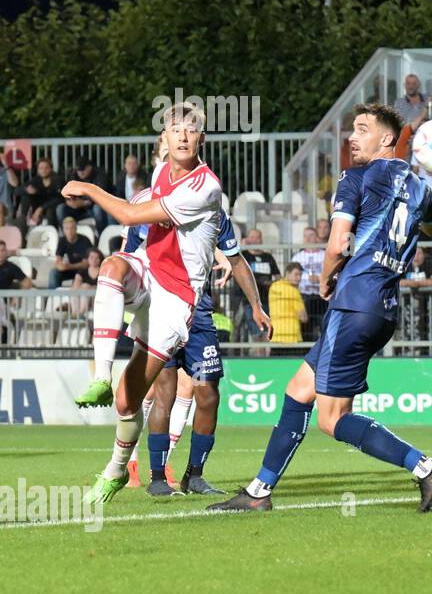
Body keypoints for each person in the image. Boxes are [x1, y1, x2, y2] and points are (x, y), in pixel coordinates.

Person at [210, 104, 432, 513]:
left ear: (387, 140)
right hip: (382, 308)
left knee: (332, 419)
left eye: (362, 130)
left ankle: (425, 467)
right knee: (297, 392)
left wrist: (324, 280)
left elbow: (338, 242)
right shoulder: (420, 189)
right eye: (352, 130)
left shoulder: (356, 177)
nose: (352, 138)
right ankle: (258, 492)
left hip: (354, 302)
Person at [67, 106, 224, 505]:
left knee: (127, 400)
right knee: (112, 265)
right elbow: (137, 227)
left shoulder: (205, 186)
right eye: (176, 129)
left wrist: (88, 189)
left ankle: (117, 470)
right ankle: (100, 374)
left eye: (192, 130)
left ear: (201, 139)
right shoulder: (157, 175)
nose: (184, 136)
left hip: (177, 300)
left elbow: (131, 213)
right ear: (165, 139)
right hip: (148, 272)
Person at [123, 204, 272, 495]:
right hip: (162, 313)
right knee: (164, 392)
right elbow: (128, 262)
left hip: (199, 316)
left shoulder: (214, 212)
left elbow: (236, 260)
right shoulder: (149, 210)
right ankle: (157, 478)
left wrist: (256, 306)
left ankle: (194, 475)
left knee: (208, 393)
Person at [47, 216, 93, 288]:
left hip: (84, 271)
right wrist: (60, 266)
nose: (69, 231)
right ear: (63, 230)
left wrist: (69, 266)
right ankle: (53, 297)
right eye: (67, 229)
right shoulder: (62, 241)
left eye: (72, 228)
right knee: (54, 272)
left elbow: (86, 264)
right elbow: (58, 260)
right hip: (70, 269)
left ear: (76, 229)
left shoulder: (85, 241)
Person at [269, 263, 309, 345]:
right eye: (296, 274)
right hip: (292, 337)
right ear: (287, 273)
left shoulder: (273, 287)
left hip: (275, 336)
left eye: (300, 275)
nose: (299, 278)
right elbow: (303, 318)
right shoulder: (293, 291)